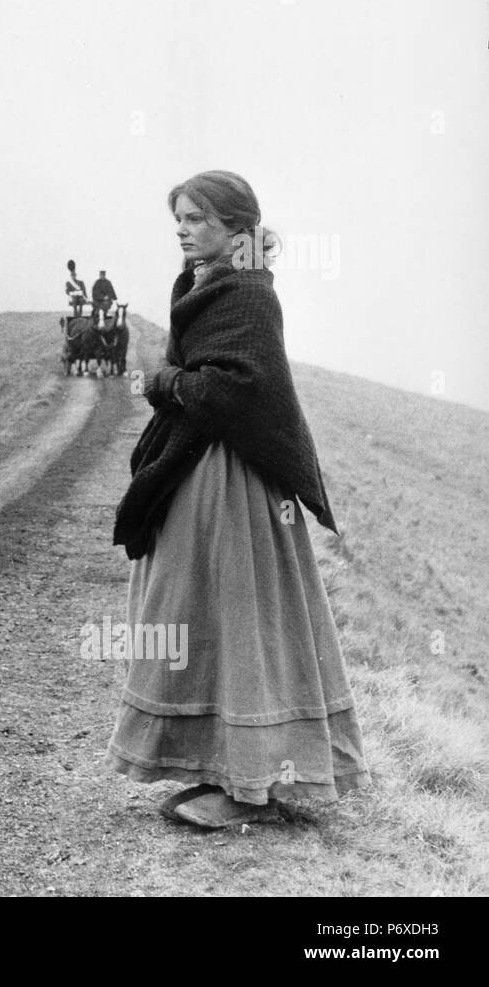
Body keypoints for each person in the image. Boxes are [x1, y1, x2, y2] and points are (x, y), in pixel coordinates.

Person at [108, 170, 369, 828]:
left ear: (235, 228)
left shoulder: (251, 295)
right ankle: (222, 770)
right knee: (200, 615)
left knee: (237, 618)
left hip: (232, 480)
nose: (183, 230)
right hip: (197, 468)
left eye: (196, 219)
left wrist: (164, 383)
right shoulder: (202, 285)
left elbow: (231, 392)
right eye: (179, 219)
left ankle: (249, 787)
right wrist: (175, 384)